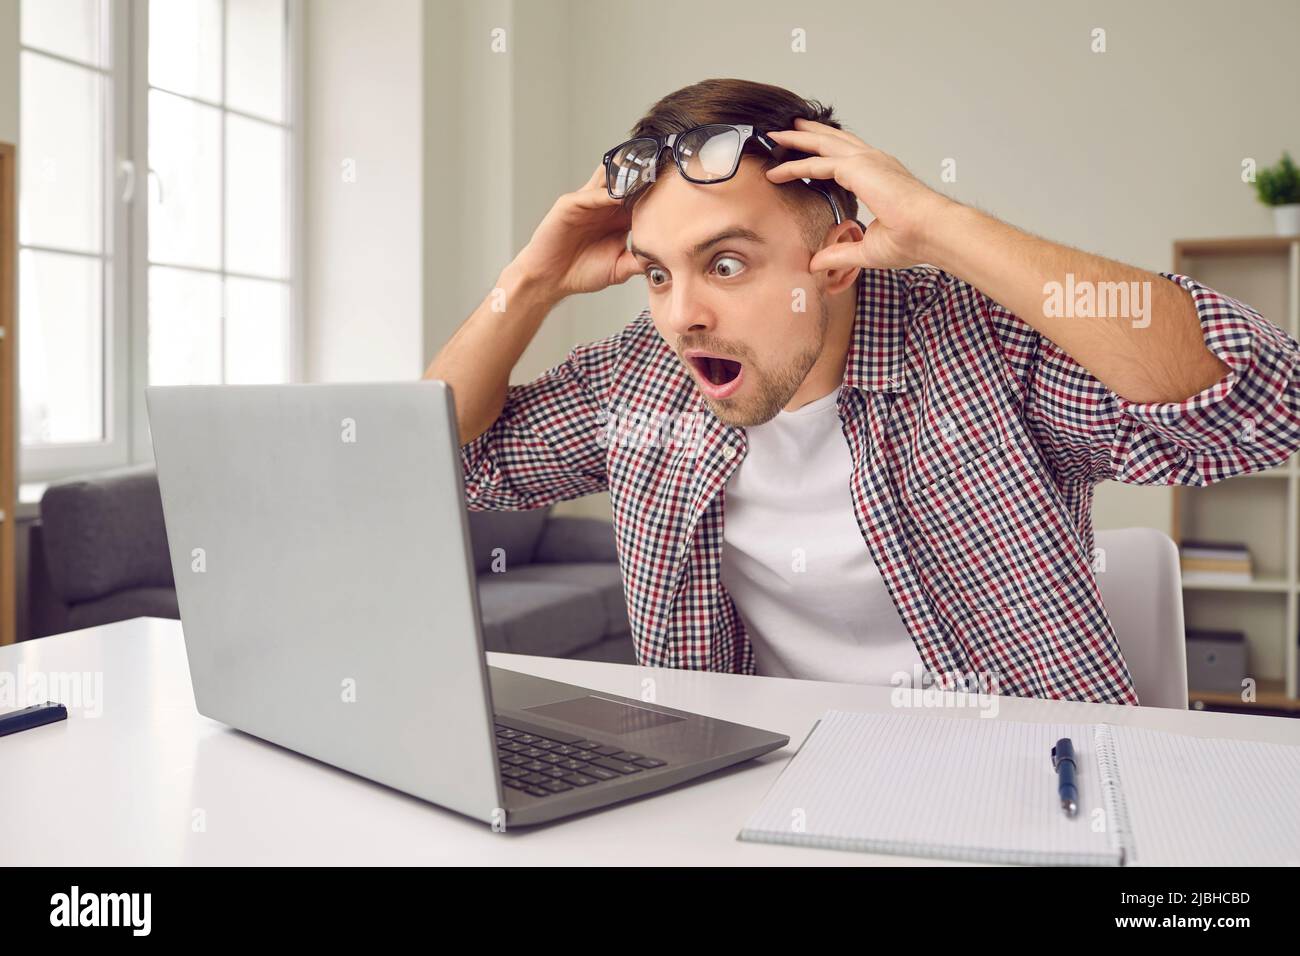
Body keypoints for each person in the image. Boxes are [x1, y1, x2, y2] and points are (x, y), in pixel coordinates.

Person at [424, 78, 1300, 704]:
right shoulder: (640, 383)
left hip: (1019, 780)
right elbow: (440, 467)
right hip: (756, 787)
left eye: (725, 264)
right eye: (657, 274)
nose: (681, 315)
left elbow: (1263, 402)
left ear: (837, 259)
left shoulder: (980, 349)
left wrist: (942, 227)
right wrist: (530, 281)